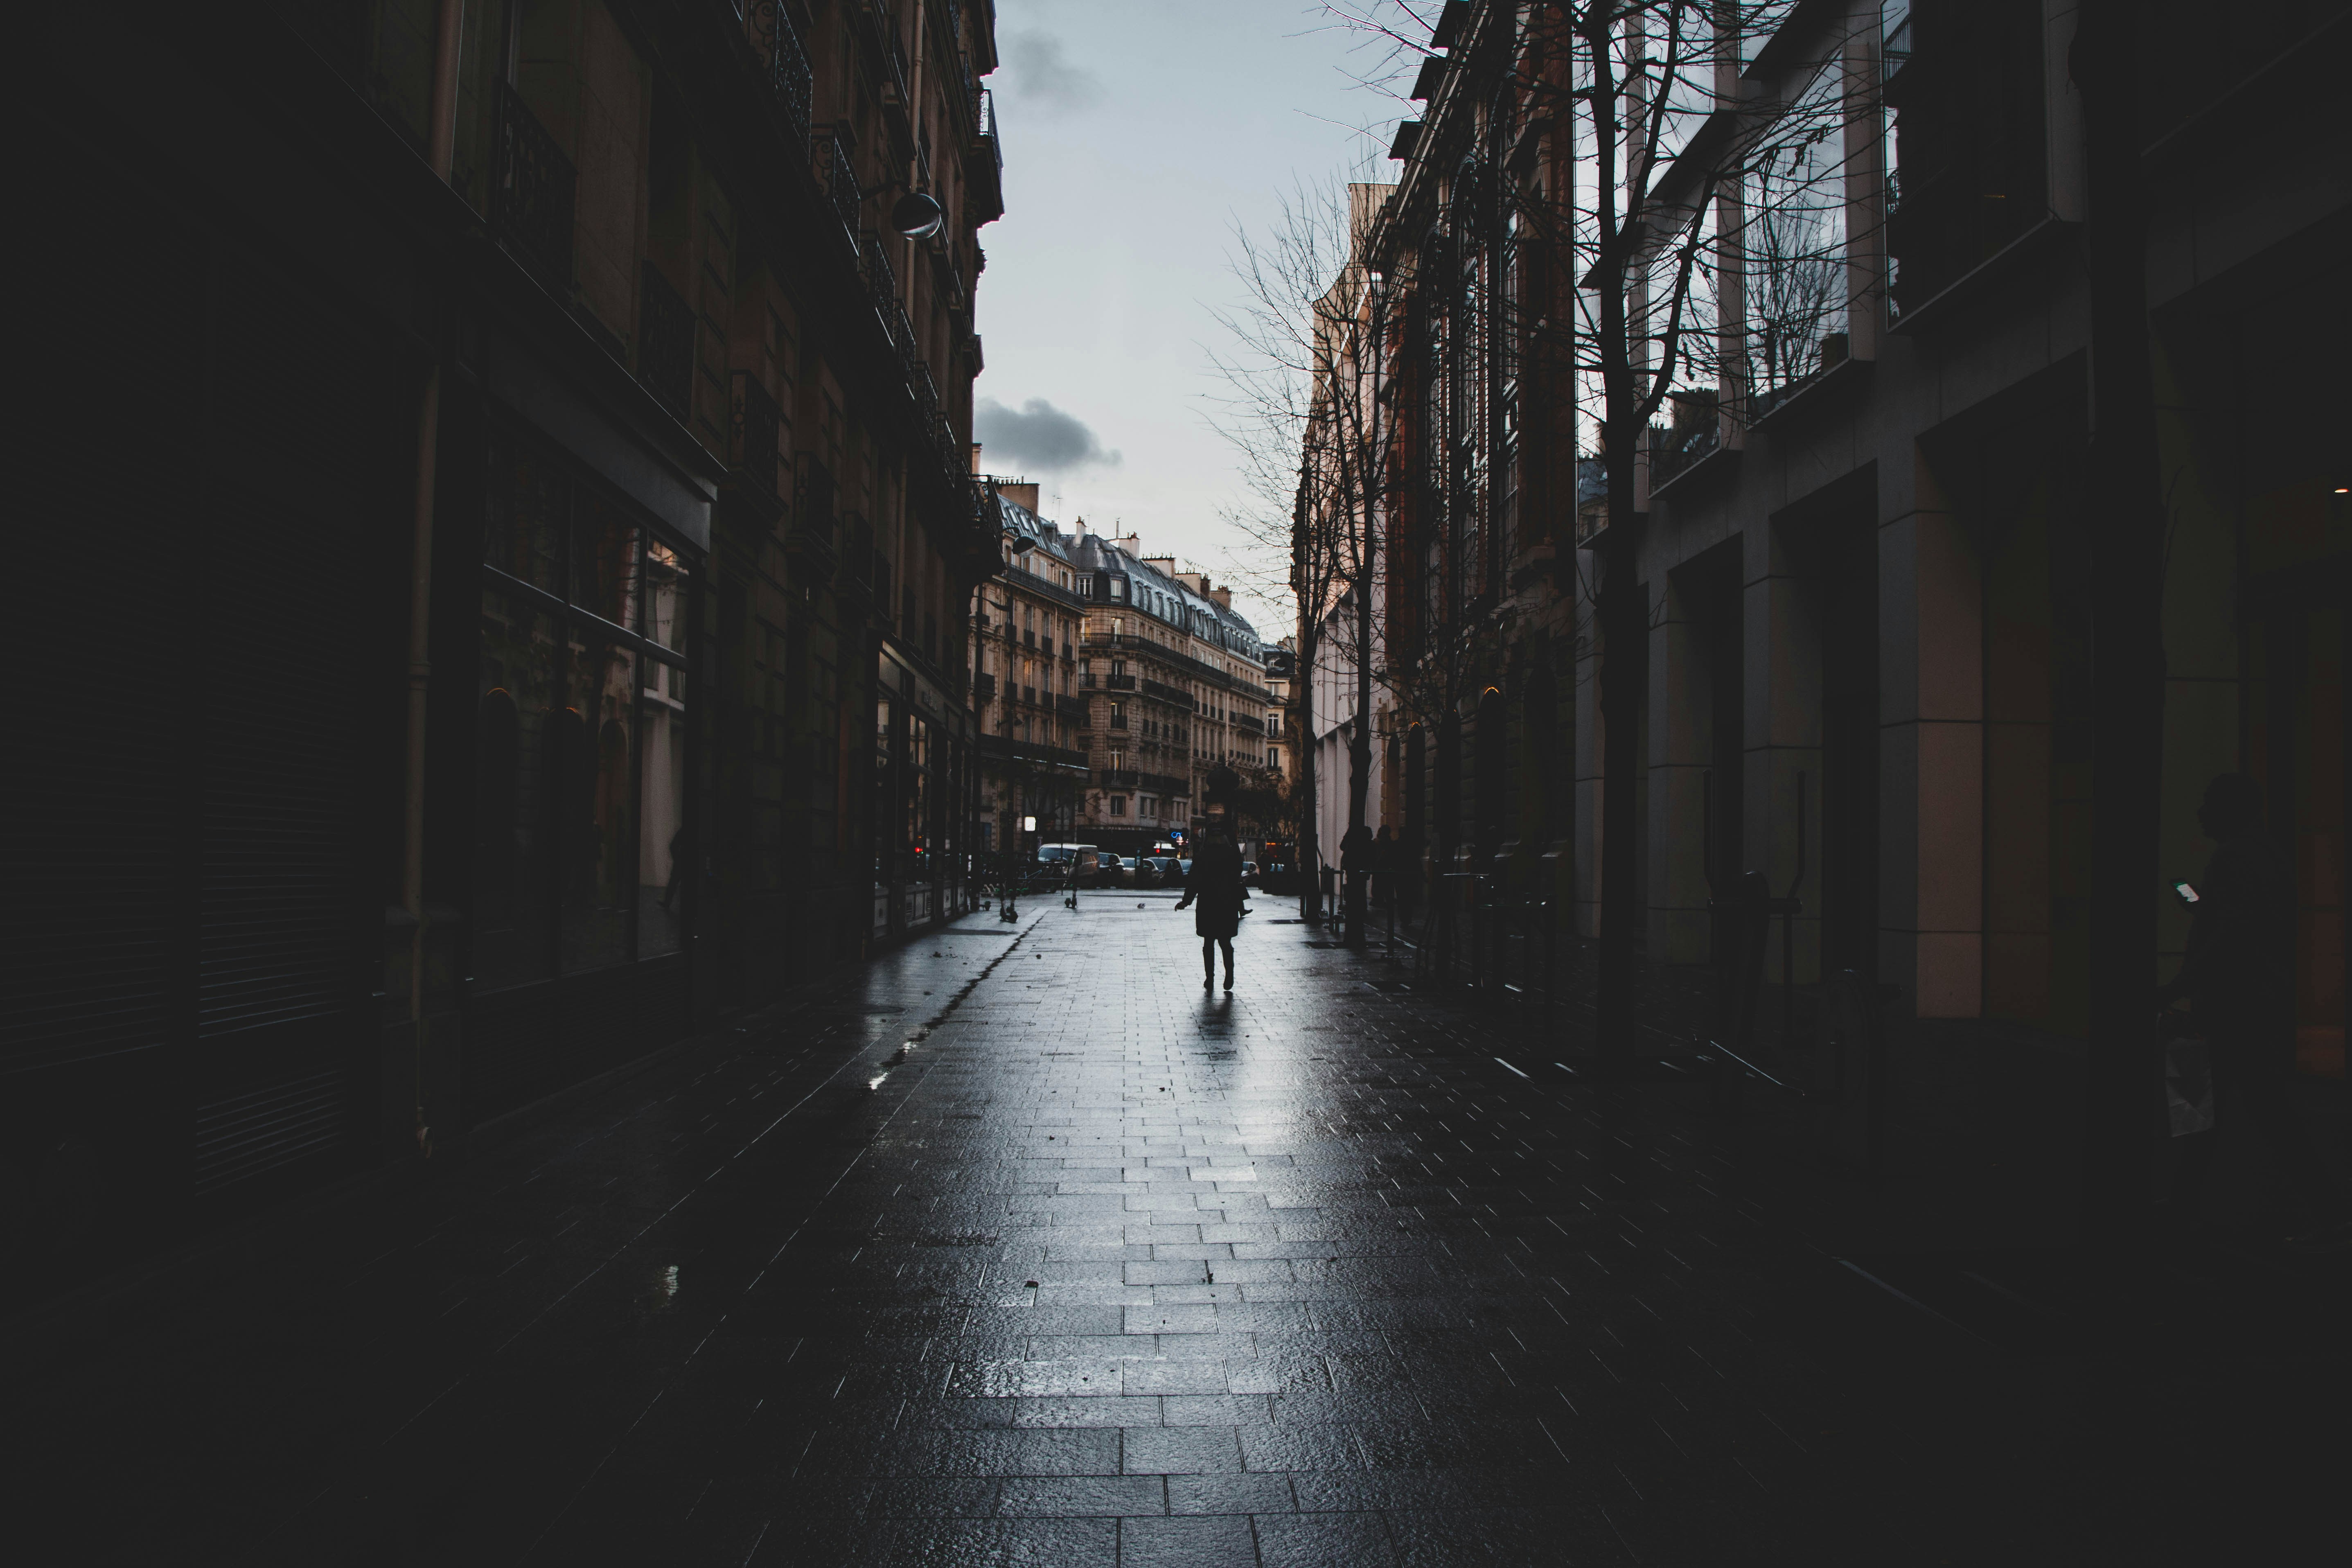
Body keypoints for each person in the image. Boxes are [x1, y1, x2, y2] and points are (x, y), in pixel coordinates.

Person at [2159, 773, 2349, 1250]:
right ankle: (2182, 1208)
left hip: (2228, 1007)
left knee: (2199, 1108)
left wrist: (2179, 985)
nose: (2200, 813)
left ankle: (2180, 1211)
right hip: (2253, 1006)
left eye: (2207, 804)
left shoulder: (2233, 857)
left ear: (2228, 810)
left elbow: (2228, 934)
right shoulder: (2266, 857)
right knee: (2260, 1110)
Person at [1175, 825, 1246, 991]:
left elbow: (1194, 881)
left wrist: (1186, 901)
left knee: (1209, 943)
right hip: (1227, 904)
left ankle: (1210, 978)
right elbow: (1238, 872)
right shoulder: (1231, 856)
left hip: (1208, 904)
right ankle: (1229, 976)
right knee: (1225, 943)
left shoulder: (1202, 857)